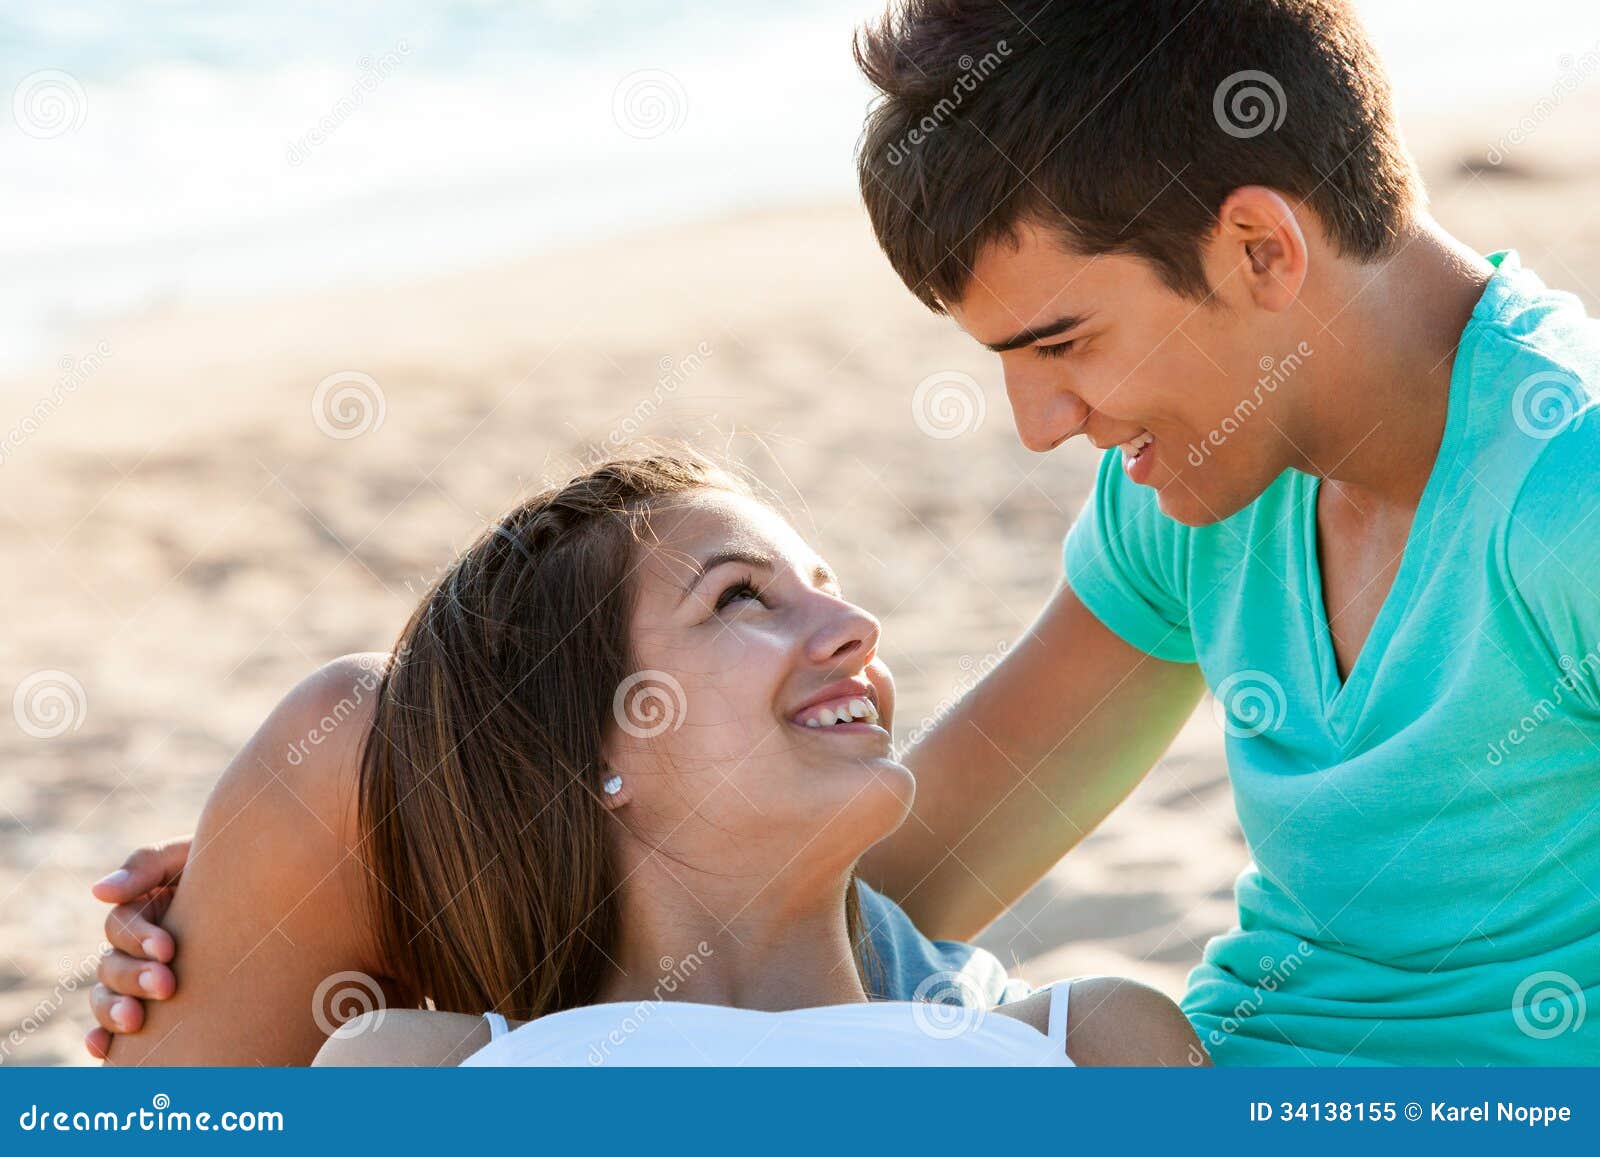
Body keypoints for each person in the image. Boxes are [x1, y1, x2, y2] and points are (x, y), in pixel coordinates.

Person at [848, 0, 1599, 1063]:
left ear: (1259, 249)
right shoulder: (1192, 484)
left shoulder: (1570, 486)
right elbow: (894, 892)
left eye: (1062, 344)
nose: (1038, 425)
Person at [84, 452, 1201, 1067]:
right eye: (741, 598)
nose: (858, 626)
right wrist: (229, 913)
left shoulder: (1100, 1037)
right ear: (585, 761)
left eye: (827, 586)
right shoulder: (411, 1066)